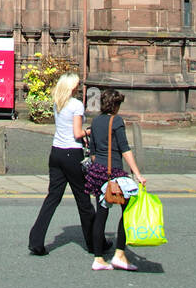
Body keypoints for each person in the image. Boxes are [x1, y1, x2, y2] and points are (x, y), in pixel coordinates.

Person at [27, 73, 96, 257]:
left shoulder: (58, 102)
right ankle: (95, 243)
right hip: (71, 154)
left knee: (52, 198)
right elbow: (77, 133)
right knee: (83, 201)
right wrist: (90, 131)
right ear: (72, 87)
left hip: (56, 152)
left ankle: (36, 240)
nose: (79, 87)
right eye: (77, 85)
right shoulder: (76, 105)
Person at [83, 88, 147, 271]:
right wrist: (137, 174)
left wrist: (100, 167)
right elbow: (125, 149)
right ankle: (119, 254)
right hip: (114, 173)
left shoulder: (95, 122)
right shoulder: (116, 120)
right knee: (127, 211)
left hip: (97, 172)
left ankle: (98, 259)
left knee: (101, 215)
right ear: (116, 105)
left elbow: (93, 152)